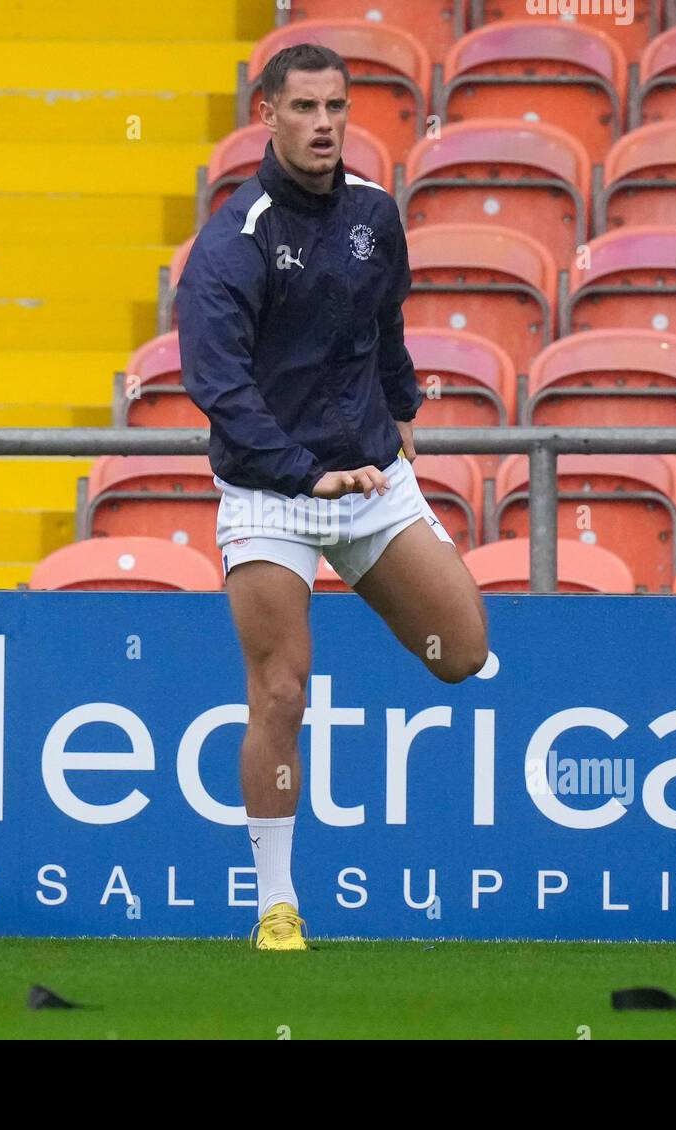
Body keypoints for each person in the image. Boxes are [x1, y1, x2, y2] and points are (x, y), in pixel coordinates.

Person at [177, 44, 489, 951]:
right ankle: (276, 905)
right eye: (305, 106)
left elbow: (383, 321)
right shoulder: (236, 238)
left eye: (337, 107)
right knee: (281, 691)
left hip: (370, 483)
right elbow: (216, 381)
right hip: (271, 491)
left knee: (463, 654)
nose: (323, 123)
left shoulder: (373, 215)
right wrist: (300, 470)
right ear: (265, 113)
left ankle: (398, 558)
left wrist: (401, 409)